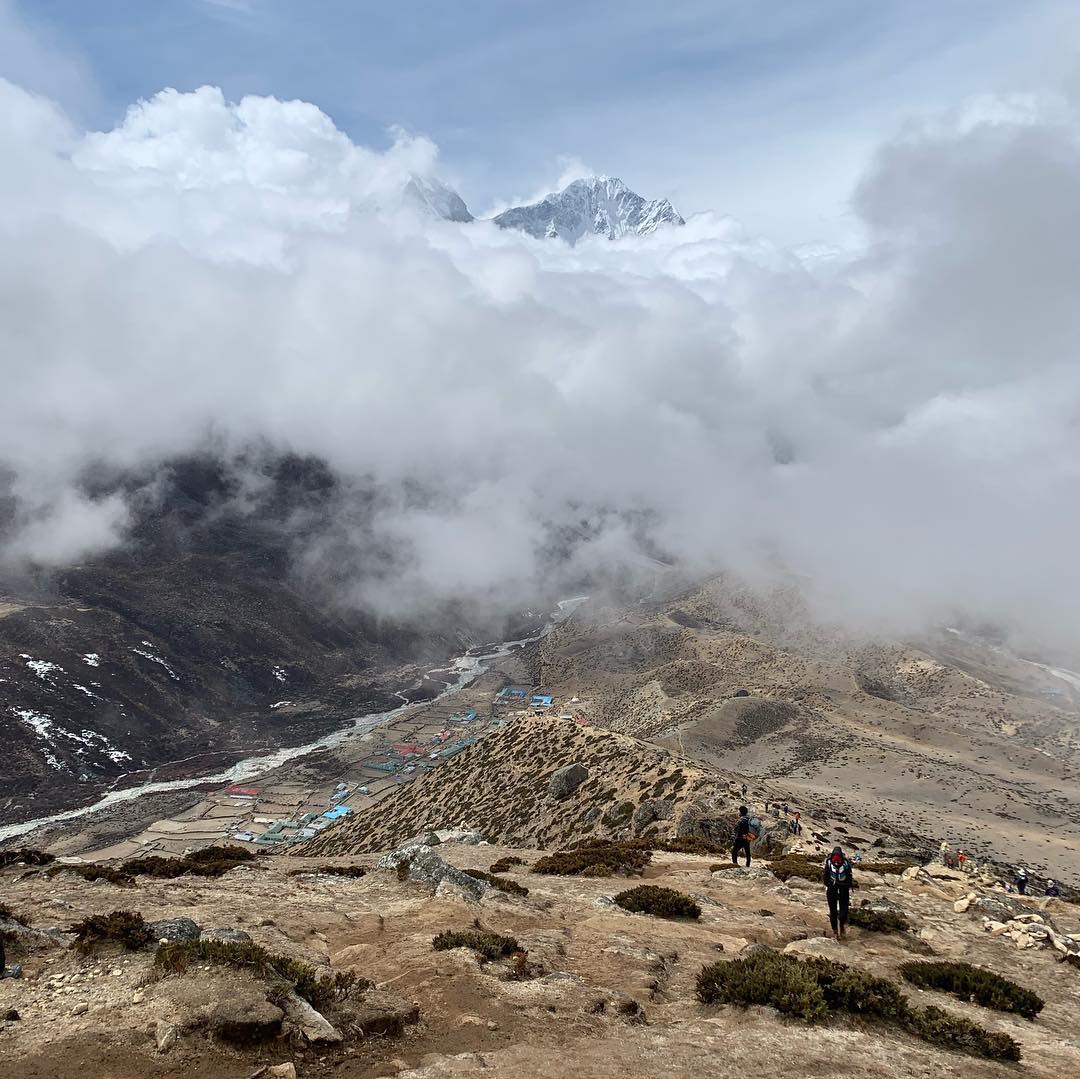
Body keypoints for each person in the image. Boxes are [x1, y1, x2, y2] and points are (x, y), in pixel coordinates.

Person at [823, 846, 854, 941]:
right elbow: (825, 876)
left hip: (843, 888)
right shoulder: (828, 863)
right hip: (832, 889)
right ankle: (835, 931)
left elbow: (849, 876)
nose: (836, 861)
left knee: (844, 909)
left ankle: (842, 925)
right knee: (833, 911)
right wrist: (829, 884)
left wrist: (847, 885)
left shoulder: (846, 864)